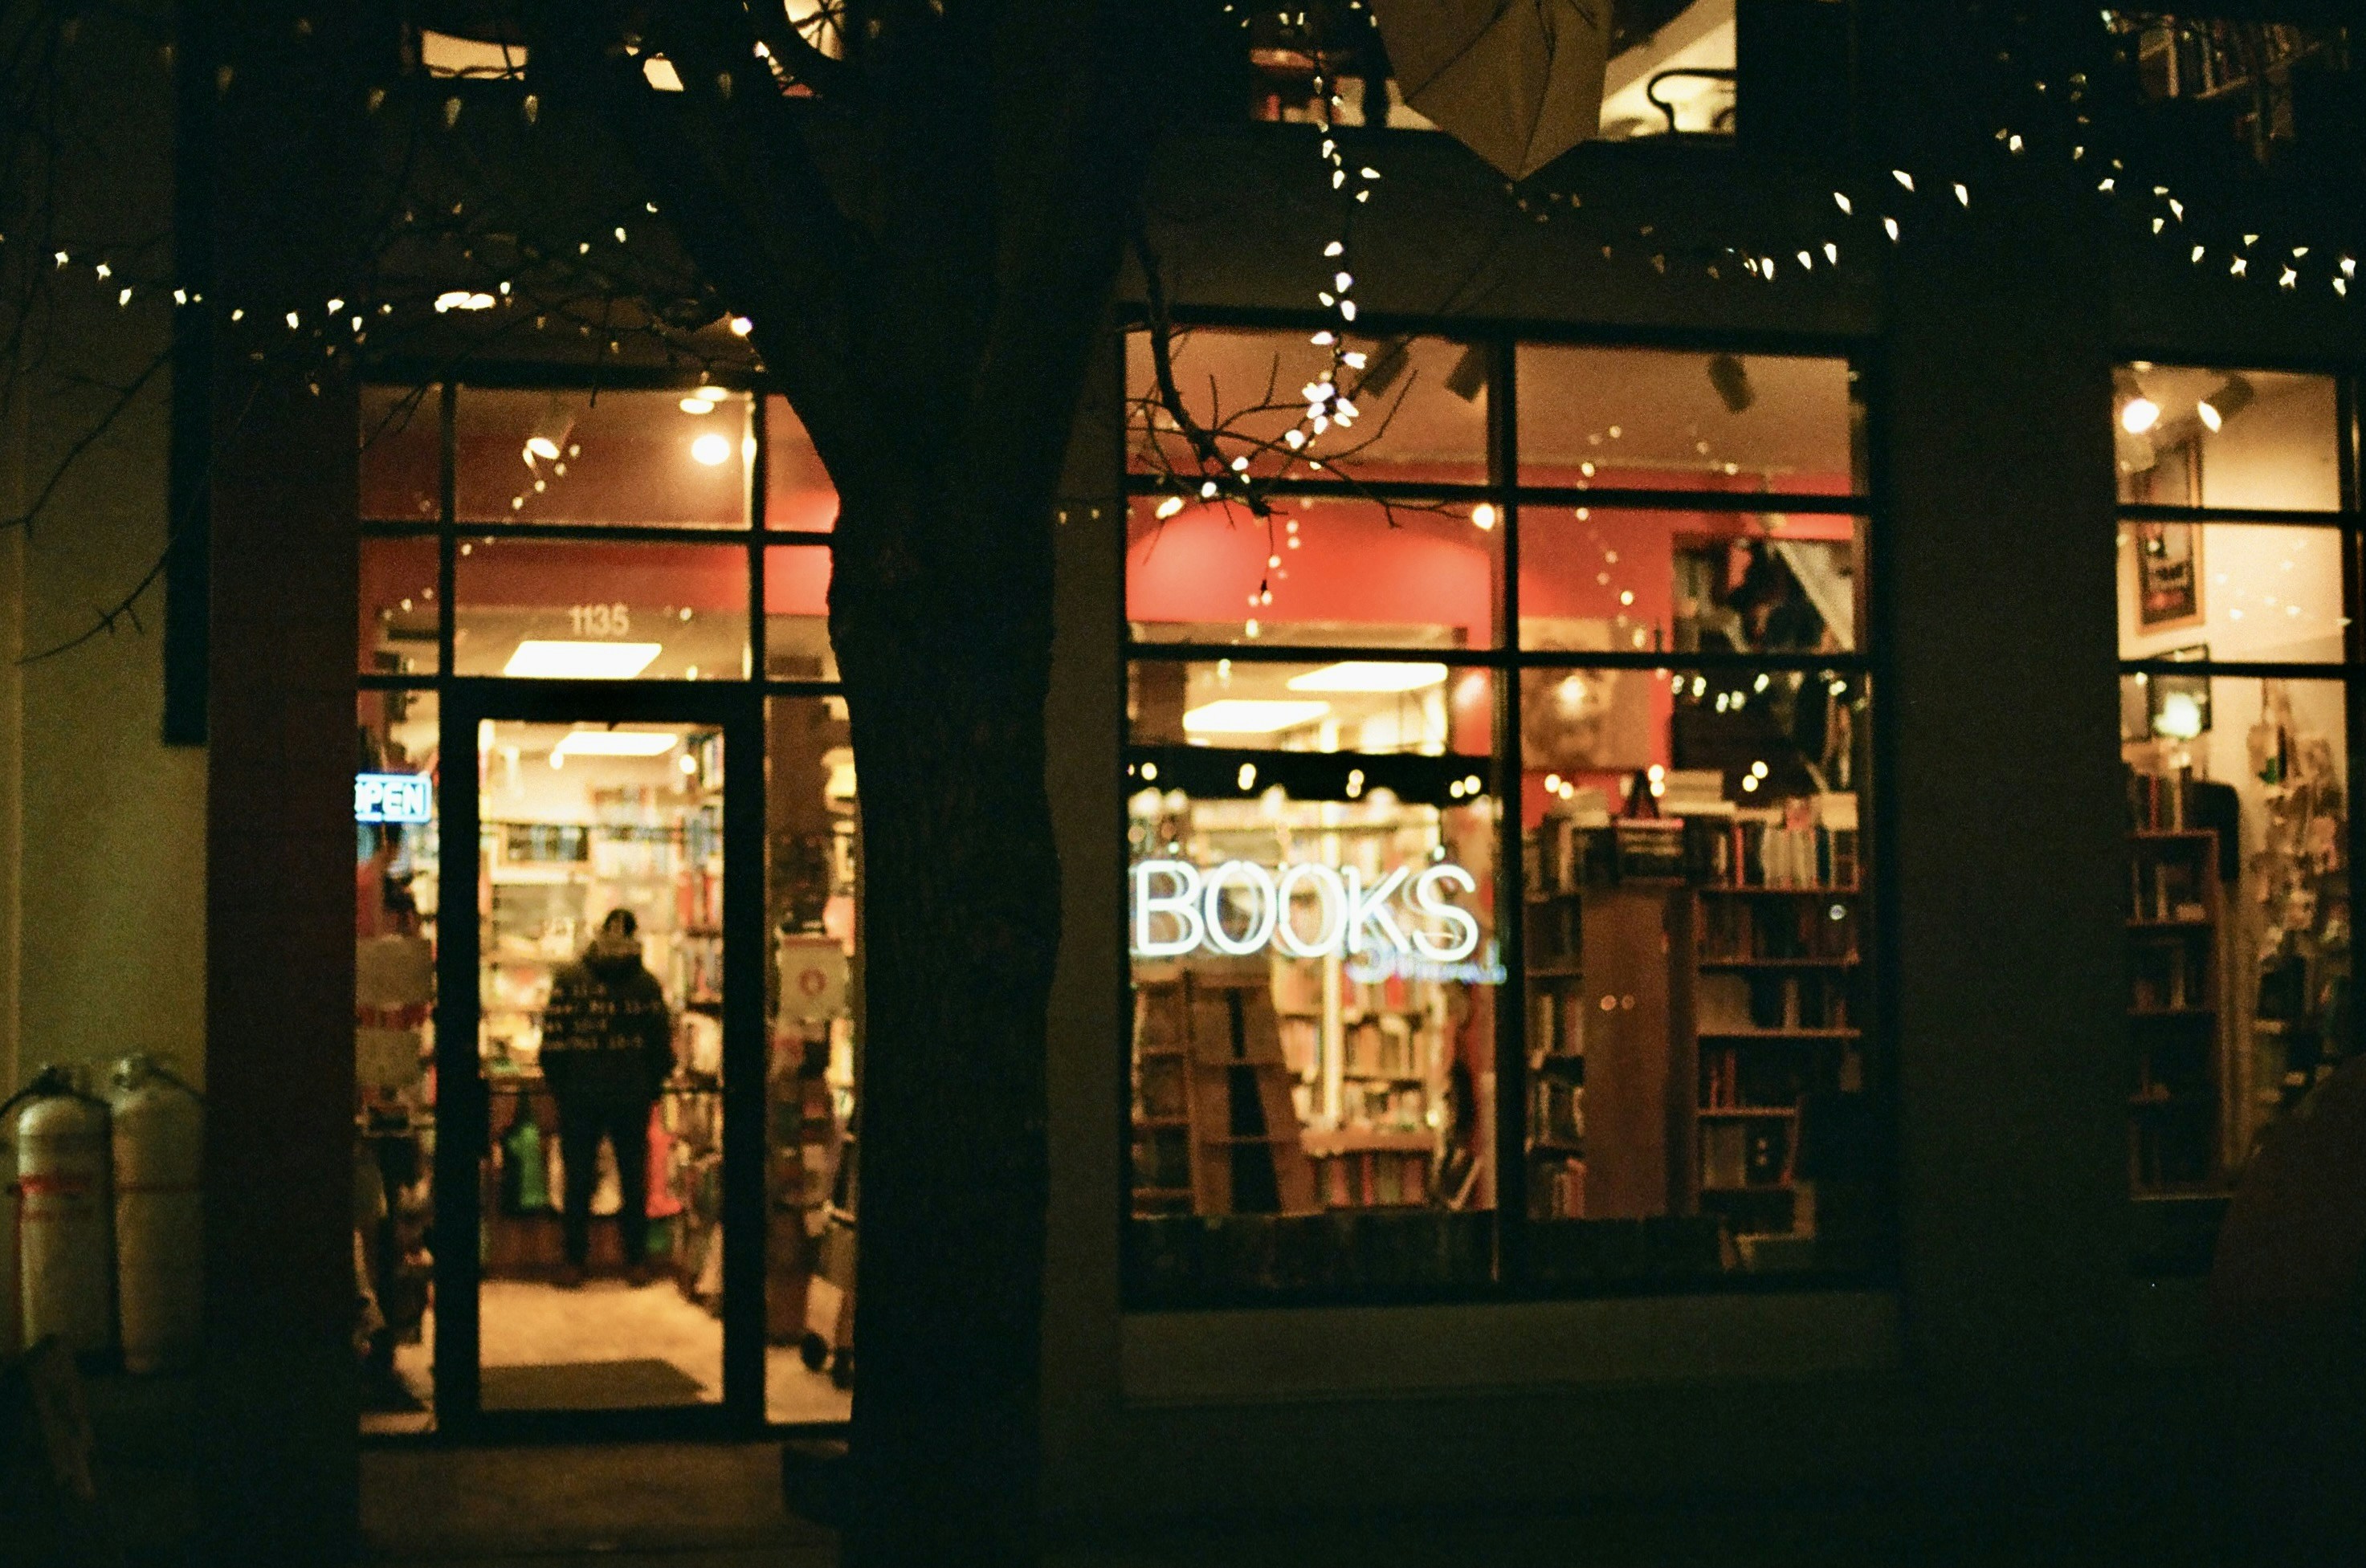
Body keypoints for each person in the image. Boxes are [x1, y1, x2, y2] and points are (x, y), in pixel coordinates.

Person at [539, 907, 675, 1287]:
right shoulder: (645, 985)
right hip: (630, 1095)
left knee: (578, 1181)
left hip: (580, 1094)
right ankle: (635, 1262)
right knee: (634, 1180)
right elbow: (660, 1046)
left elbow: (553, 1041)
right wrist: (650, 1087)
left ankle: (574, 1263)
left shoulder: (570, 979)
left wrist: (562, 1087)